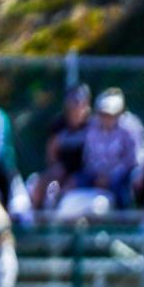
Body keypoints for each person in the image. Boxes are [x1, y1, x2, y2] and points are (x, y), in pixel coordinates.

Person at [78, 88, 144, 209]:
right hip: (97, 174)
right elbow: (89, 156)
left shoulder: (130, 127)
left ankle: (125, 220)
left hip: (124, 173)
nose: (106, 118)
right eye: (103, 114)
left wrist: (111, 176)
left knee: (123, 188)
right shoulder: (92, 127)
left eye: (110, 114)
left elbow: (132, 160)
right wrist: (99, 176)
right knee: (77, 182)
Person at [31, 84, 93, 214]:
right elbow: (51, 155)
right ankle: (36, 219)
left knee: (69, 186)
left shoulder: (93, 125)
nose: (75, 108)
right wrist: (56, 170)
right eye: (71, 104)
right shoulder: (58, 125)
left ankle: (58, 219)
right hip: (62, 168)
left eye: (79, 104)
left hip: (84, 170)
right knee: (42, 183)